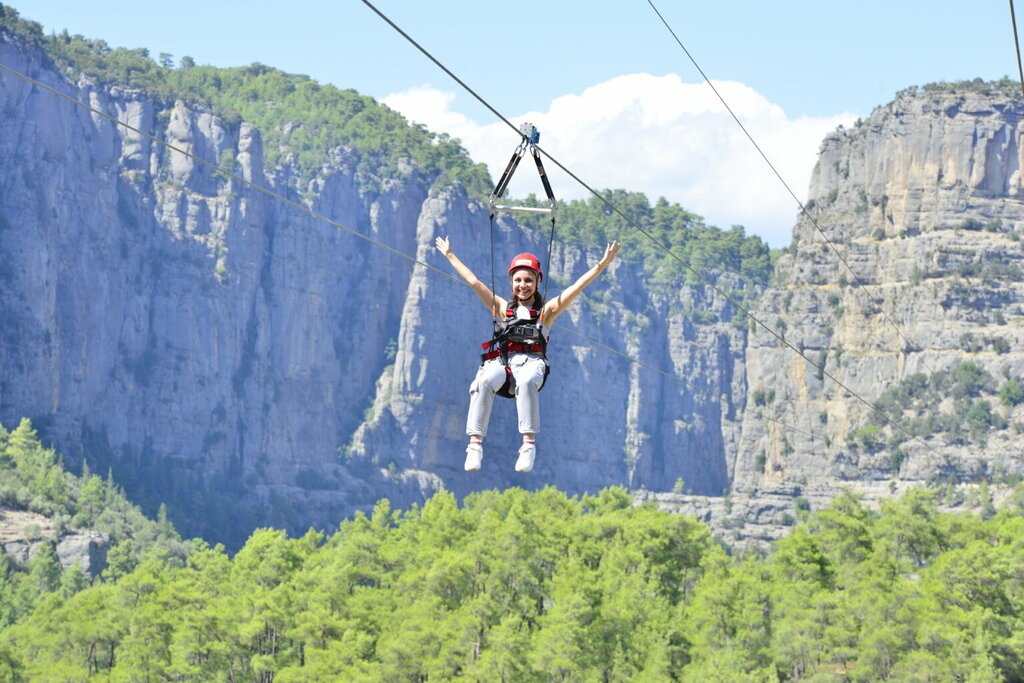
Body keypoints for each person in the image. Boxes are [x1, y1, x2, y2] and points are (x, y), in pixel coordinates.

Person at [435, 235, 622, 472]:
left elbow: (577, 287)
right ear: (512, 282)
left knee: (525, 381)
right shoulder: (503, 308)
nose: (522, 285)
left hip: (533, 364)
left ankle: (528, 445)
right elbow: (474, 282)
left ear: (537, 282)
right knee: (483, 380)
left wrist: (602, 264)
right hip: (505, 363)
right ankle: (474, 445)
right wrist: (450, 254)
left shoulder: (546, 311)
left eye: (528, 280)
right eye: (518, 280)